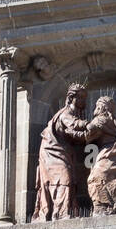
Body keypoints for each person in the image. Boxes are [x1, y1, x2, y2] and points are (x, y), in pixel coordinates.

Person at [32, 83, 88, 221]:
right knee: (64, 177)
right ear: (71, 98)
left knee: (69, 179)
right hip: (51, 152)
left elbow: (72, 134)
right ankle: (60, 213)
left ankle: (64, 211)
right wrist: (91, 124)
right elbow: (73, 124)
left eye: (84, 98)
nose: (83, 101)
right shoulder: (66, 113)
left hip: (62, 152)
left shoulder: (73, 113)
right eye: (80, 97)